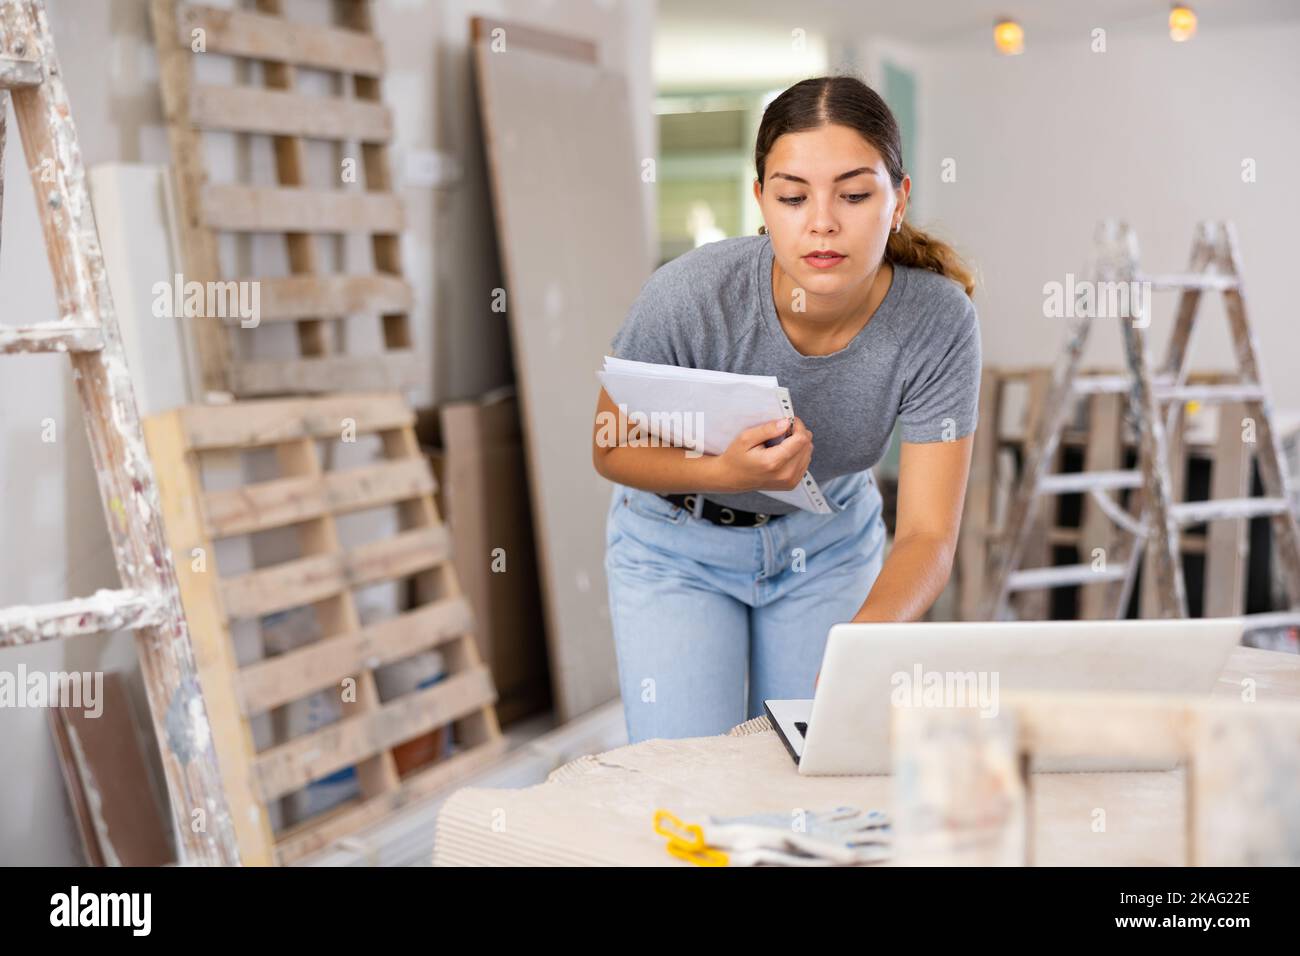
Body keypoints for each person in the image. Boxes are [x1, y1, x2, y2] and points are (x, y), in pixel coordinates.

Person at [592, 75, 981, 744]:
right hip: (675, 550)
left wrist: (868, 637)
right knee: (687, 780)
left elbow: (927, 536)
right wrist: (729, 473)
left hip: (828, 546)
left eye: (855, 195)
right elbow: (609, 444)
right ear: (762, 202)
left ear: (898, 200)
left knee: (812, 773)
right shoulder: (691, 293)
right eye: (793, 196)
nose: (822, 222)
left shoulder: (937, 320)